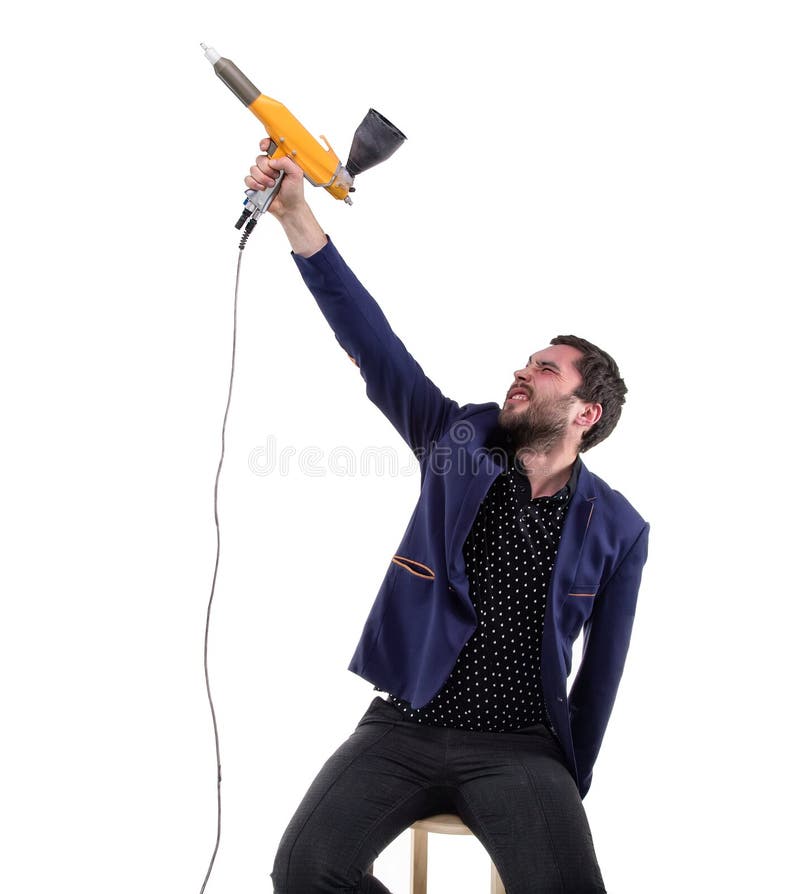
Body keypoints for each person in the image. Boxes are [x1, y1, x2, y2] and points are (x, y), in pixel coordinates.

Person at [247, 144, 649, 894]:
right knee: (306, 869)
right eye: (525, 361)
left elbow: (602, 676)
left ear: (586, 413)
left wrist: (566, 781)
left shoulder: (620, 528)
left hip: (522, 748)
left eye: (547, 368)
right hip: (404, 723)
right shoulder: (455, 441)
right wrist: (298, 218)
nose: (523, 371)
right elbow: (376, 346)